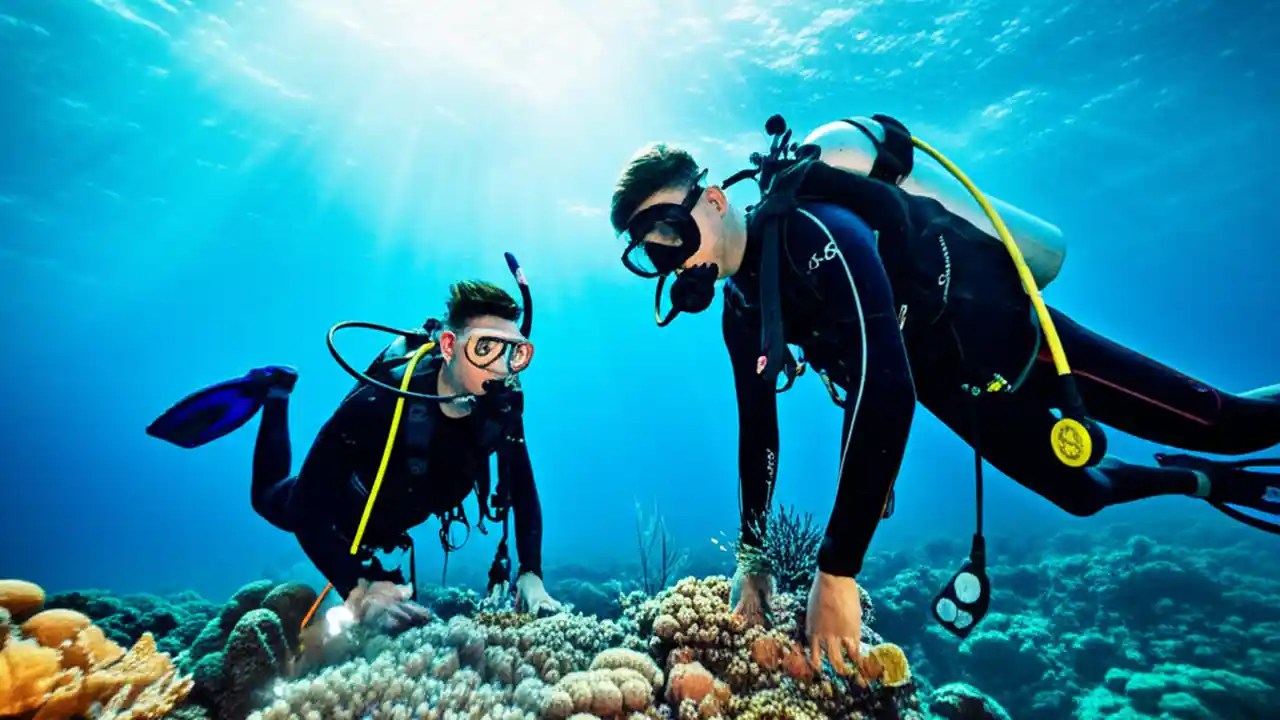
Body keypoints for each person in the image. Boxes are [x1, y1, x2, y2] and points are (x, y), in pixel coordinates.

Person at [606, 116, 1280, 675]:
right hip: (952, 385)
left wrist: (837, 569)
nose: (669, 257)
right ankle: (1198, 483)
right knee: (1081, 493)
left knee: (1228, 423)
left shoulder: (814, 230)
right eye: (649, 252)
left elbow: (887, 382)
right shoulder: (742, 309)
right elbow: (759, 432)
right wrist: (753, 558)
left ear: (715, 200)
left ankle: (1219, 448)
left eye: (670, 227)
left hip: (1017, 341)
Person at [147, 276, 562, 632]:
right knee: (271, 499)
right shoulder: (377, 403)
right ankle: (275, 393)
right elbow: (308, 513)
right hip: (335, 504)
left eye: (515, 352)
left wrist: (531, 573)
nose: (501, 368)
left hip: (389, 518)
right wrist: (355, 589)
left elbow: (524, 490)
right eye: (485, 348)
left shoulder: (501, 410)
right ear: (450, 345)